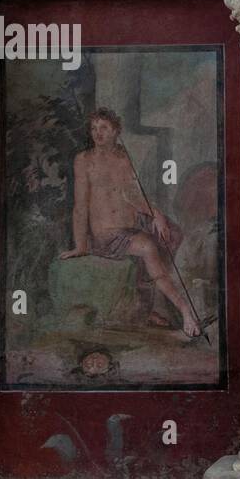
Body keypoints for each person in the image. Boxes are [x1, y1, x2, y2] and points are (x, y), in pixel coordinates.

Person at [58, 107, 201, 337]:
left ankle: (150, 301)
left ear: (116, 131)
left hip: (132, 222)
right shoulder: (84, 160)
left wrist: (156, 214)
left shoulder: (122, 155)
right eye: (94, 128)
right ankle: (184, 309)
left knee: (172, 233)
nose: (98, 133)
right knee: (148, 247)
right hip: (109, 235)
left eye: (104, 128)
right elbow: (80, 206)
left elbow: (132, 195)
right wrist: (81, 245)